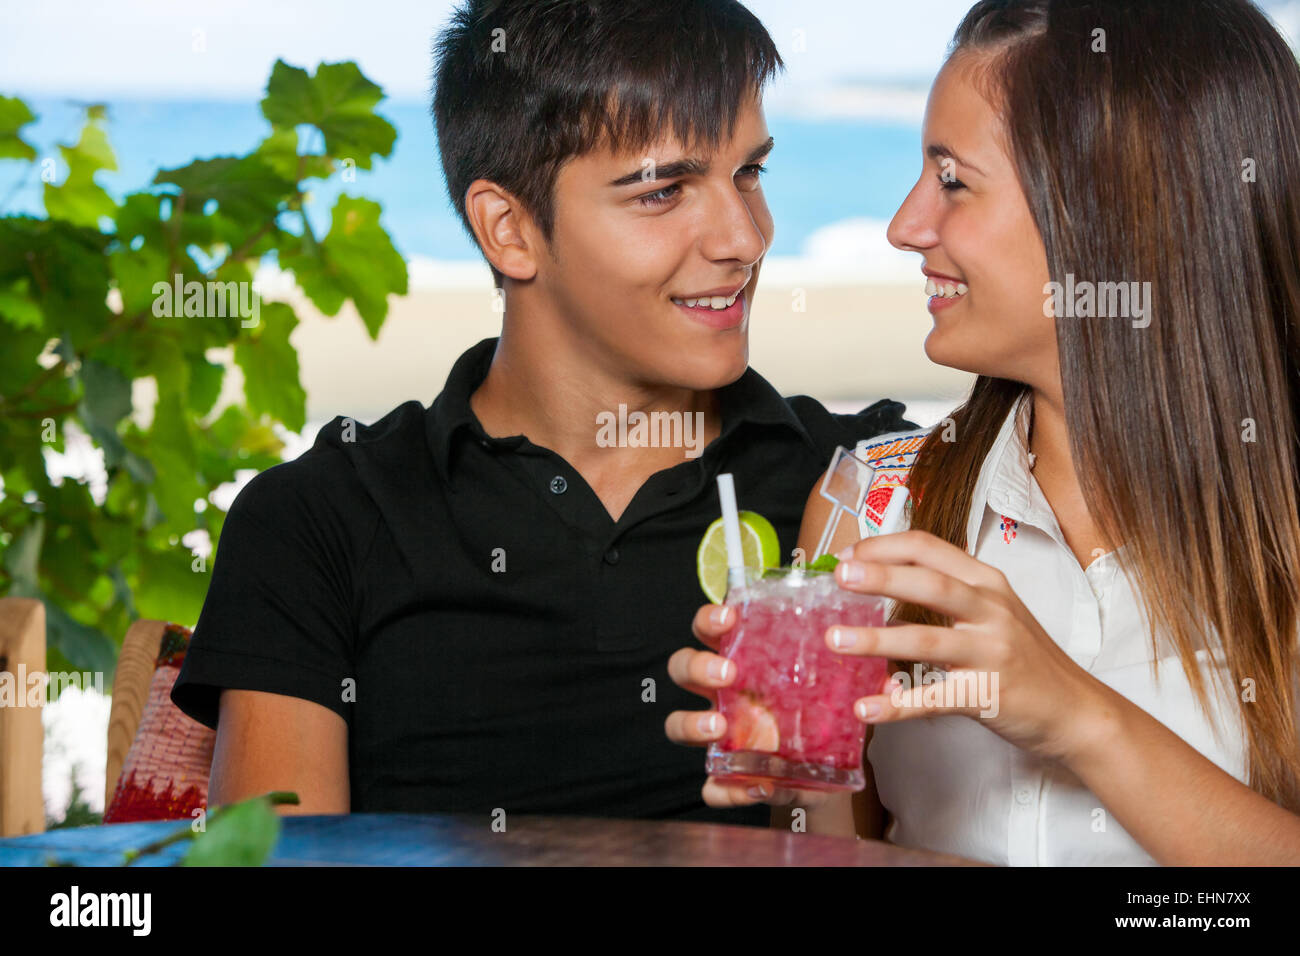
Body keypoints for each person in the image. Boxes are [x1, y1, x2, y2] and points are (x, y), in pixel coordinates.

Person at [169, 0, 912, 824]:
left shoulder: (863, 484)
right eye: (664, 191)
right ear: (509, 229)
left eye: (749, 173)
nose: (744, 236)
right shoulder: (320, 519)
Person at [667, 0, 1300, 864]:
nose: (905, 226)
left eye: (953, 181)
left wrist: (1078, 717)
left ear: (1114, 210)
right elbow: (827, 852)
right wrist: (802, 773)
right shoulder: (869, 510)